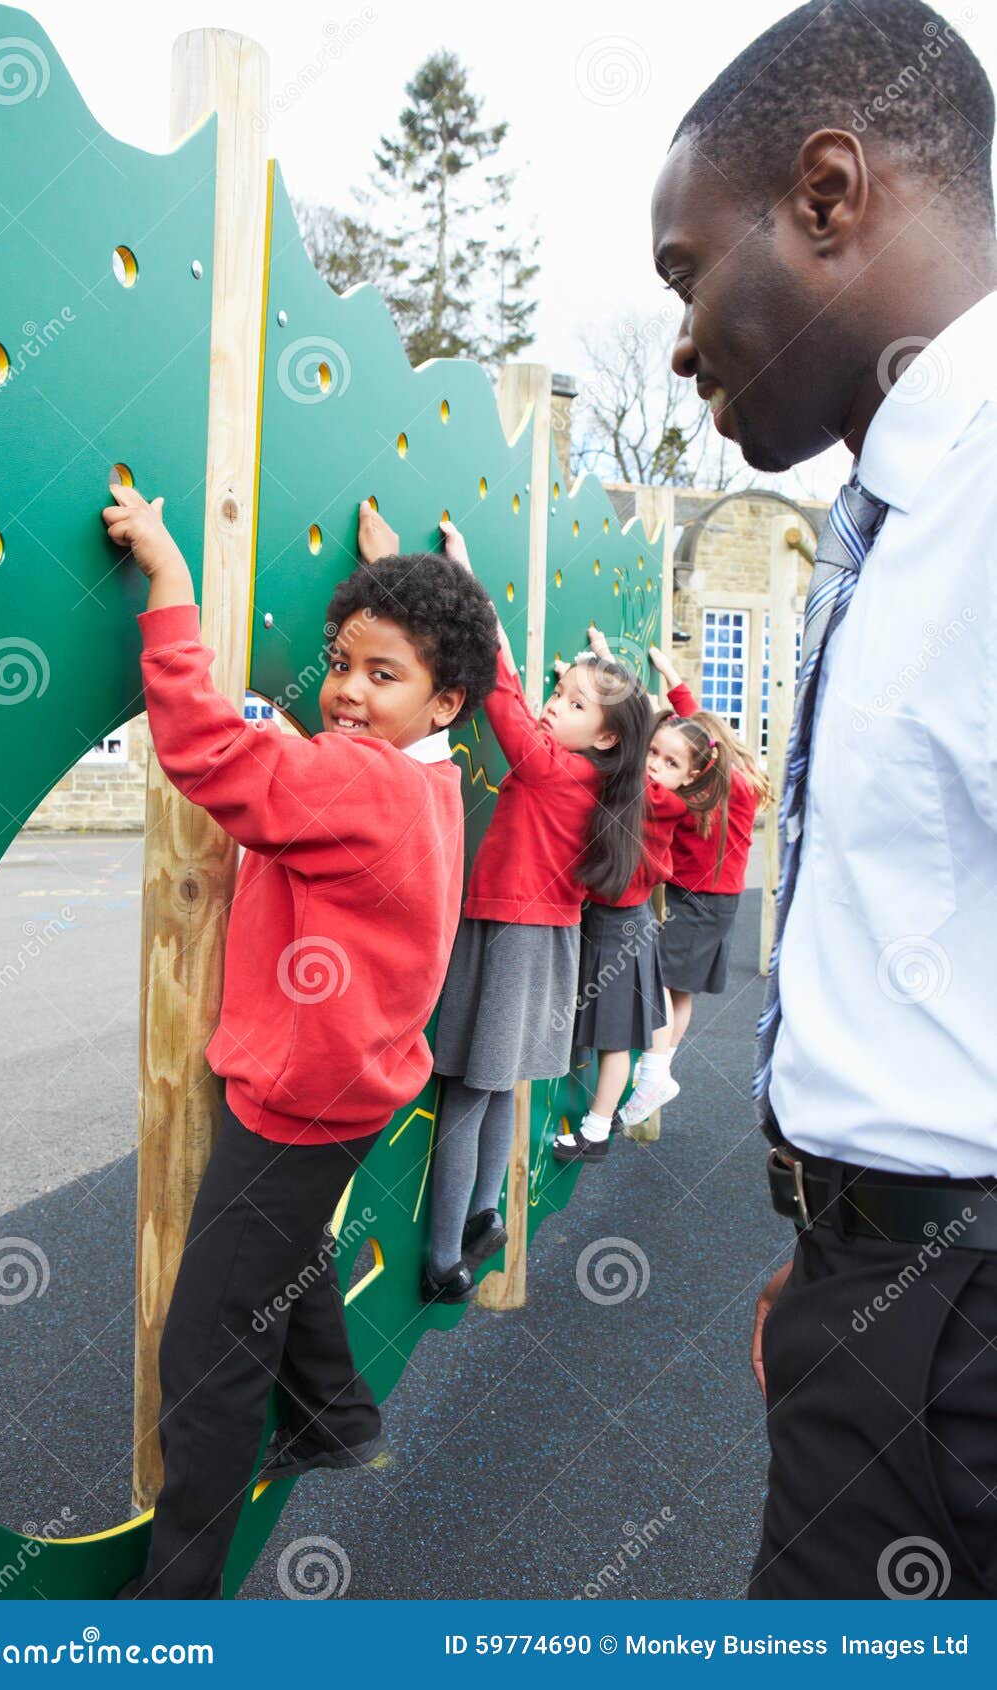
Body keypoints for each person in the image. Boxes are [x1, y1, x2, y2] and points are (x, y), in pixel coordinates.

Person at [653, 0, 997, 1599]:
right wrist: (843, 1256)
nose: (675, 338)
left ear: (828, 193)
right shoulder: (904, 507)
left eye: (683, 271)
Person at [100, 486, 498, 1597]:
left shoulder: (362, 782)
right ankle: (334, 1414)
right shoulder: (432, 780)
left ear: (444, 701)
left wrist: (172, 584)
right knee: (279, 1252)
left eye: (383, 676)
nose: (346, 691)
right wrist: (408, 565)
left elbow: (208, 753)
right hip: (353, 1080)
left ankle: (173, 1604)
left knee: (211, 1339)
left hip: (300, 1094)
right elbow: (312, 783)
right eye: (342, 663)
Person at [418, 522, 653, 1298]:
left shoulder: (554, 771)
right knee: (496, 1085)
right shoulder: (593, 784)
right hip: (539, 942)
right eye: (560, 692)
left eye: (574, 701)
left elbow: (499, 688)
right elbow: (521, 689)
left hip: (512, 939)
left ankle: (444, 1254)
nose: (555, 705)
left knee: (466, 1090)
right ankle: (483, 1213)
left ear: (606, 736)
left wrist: (465, 573)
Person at [549, 631, 692, 1164]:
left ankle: (597, 1128)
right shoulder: (641, 784)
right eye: (653, 754)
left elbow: (637, 719)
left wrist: (597, 682)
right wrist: (595, 668)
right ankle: (608, 1114)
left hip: (622, 923)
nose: (653, 763)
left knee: (613, 1035)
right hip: (619, 918)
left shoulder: (653, 797)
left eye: (669, 762)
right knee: (610, 1029)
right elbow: (638, 718)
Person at [617, 644, 771, 1129]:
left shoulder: (712, 791)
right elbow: (691, 729)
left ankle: (656, 1069)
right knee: (678, 989)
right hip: (714, 902)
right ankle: (661, 1064)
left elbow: (687, 744)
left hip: (700, 901)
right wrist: (670, 676)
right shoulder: (736, 780)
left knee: (659, 978)